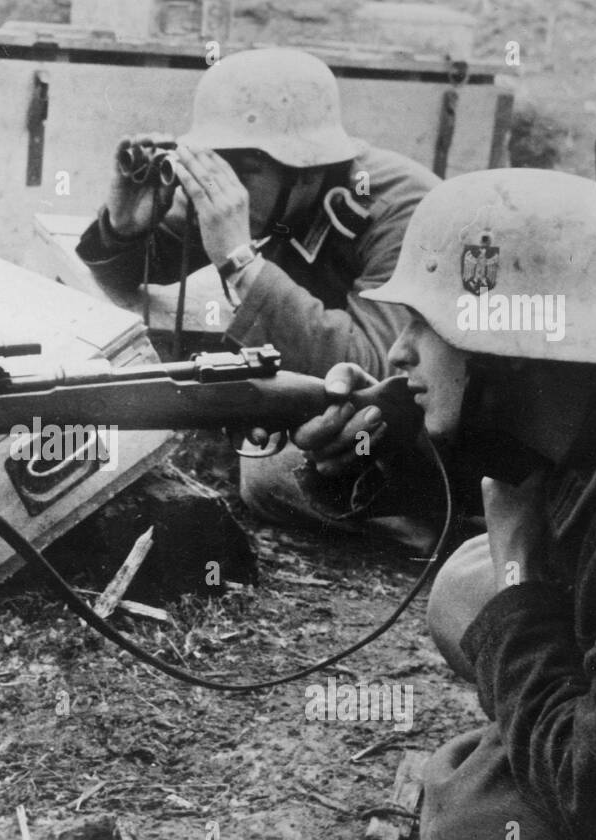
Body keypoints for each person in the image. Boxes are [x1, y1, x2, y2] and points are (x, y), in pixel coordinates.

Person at [290, 167, 596, 840]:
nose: (398, 354)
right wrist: (365, 449)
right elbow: (482, 465)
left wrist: (518, 570)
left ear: (514, 352)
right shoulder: (585, 419)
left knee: (481, 836)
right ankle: (551, 714)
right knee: (463, 588)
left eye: (427, 326)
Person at [74, 47, 440, 537]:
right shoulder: (269, 192)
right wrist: (125, 226)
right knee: (270, 463)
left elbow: (378, 370)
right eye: (212, 162)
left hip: (422, 414)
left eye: (240, 168)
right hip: (337, 397)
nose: (218, 183)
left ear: (307, 168)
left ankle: (434, 518)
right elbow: (130, 279)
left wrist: (240, 261)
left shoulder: (402, 206)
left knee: (270, 475)